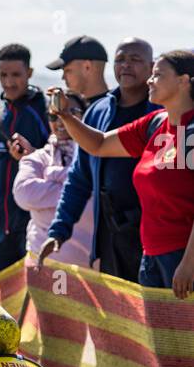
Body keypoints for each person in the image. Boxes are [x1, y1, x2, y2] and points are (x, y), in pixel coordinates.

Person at [49, 51, 194, 298]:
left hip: (183, 261)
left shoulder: (190, 132)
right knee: (157, 338)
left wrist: (189, 264)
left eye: (158, 74)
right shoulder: (155, 123)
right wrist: (65, 115)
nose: (150, 79)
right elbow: (98, 144)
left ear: (184, 80)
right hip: (150, 257)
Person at [40, 39, 155, 280]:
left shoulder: (161, 114)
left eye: (135, 60)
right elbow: (79, 178)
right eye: (121, 59)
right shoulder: (97, 112)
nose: (126, 66)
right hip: (110, 236)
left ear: (151, 67)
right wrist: (59, 230)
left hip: (153, 239)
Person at [0, 44, 49, 273]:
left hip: (32, 229)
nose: (9, 82)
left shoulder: (46, 114)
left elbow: (62, 169)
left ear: (29, 73)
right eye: (4, 75)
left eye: (16, 75)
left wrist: (32, 156)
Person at [11, 96, 93, 266]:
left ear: (85, 115)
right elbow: (23, 194)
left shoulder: (95, 156)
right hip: (42, 265)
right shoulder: (37, 158)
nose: (61, 120)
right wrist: (79, 189)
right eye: (53, 116)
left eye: (69, 113)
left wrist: (53, 175)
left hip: (90, 266)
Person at [45, 34, 110, 105]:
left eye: (68, 70)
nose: (63, 78)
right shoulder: (74, 107)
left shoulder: (112, 109)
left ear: (87, 67)